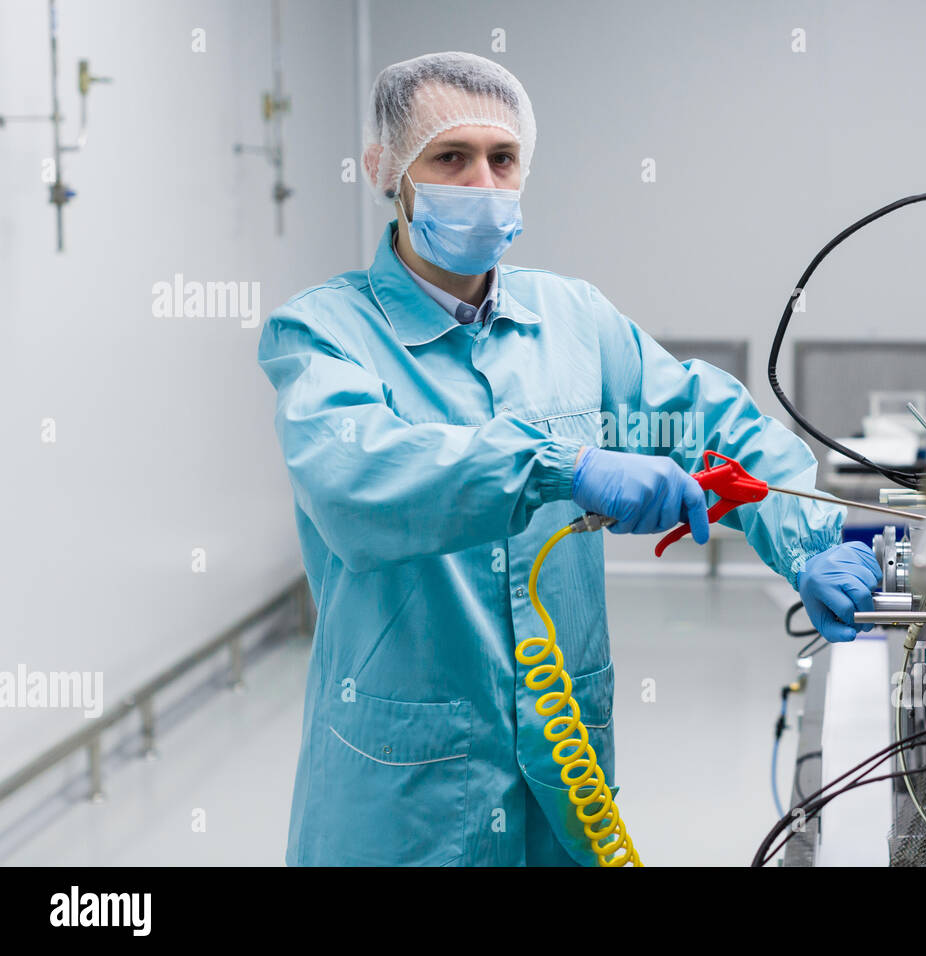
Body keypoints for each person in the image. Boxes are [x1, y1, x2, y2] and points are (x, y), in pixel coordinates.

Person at [257, 51, 882, 867]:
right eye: (451, 158)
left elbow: (712, 421)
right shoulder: (324, 332)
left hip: (566, 776)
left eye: (503, 159)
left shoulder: (572, 319)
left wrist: (813, 543)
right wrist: (560, 468)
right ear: (388, 172)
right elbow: (358, 480)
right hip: (404, 795)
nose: (483, 182)